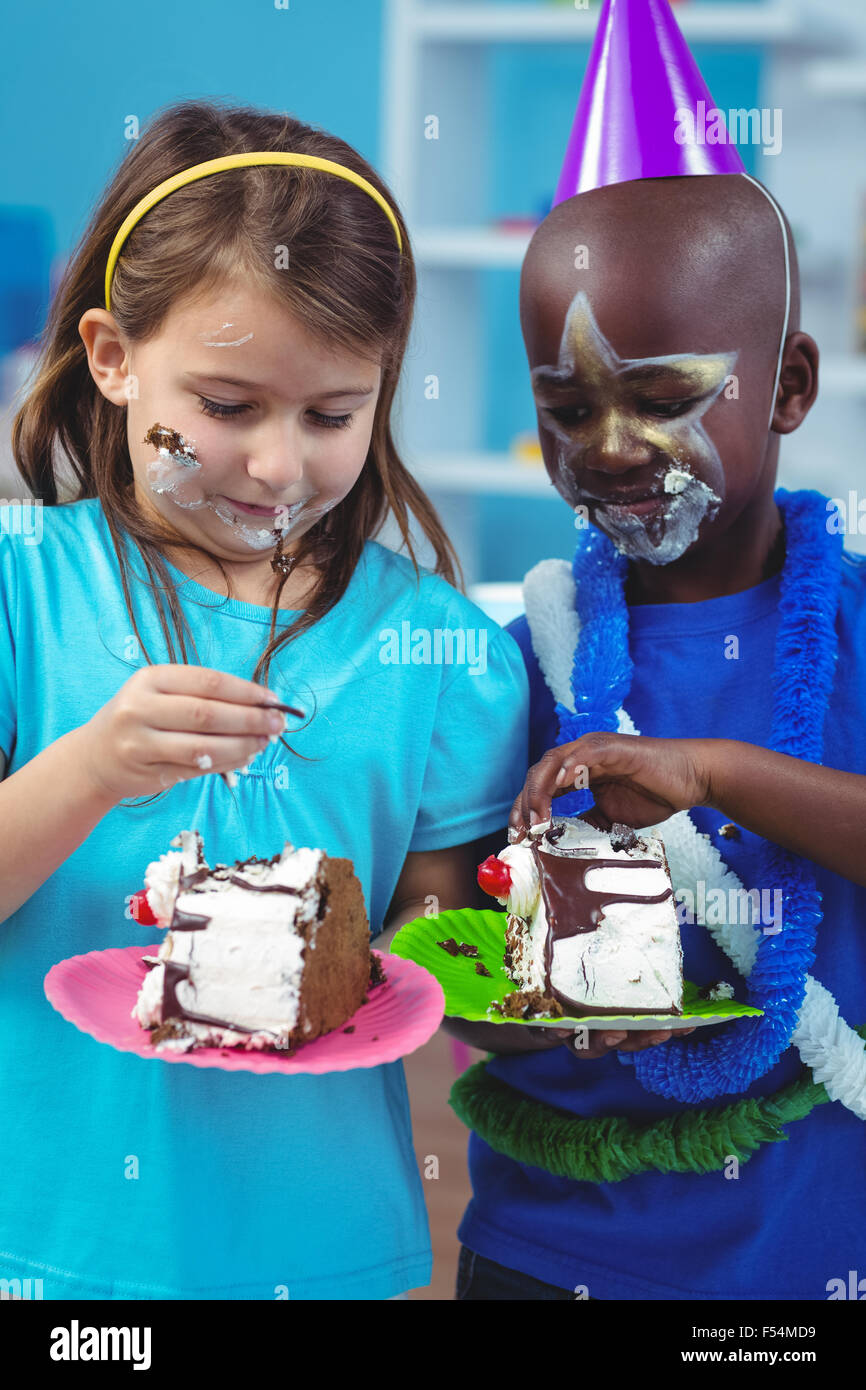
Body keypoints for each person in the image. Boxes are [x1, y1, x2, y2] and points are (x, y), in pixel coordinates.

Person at [0, 99, 528, 1300]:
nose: (282, 467)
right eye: (228, 409)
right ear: (111, 356)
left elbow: (432, 951)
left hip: (323, 1251)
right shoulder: (22, 589)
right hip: (45, 1246)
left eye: (332, 414)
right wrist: (89, 767)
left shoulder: (438, 652)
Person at [445, 167, 866, 1301]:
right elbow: (449, 951)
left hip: (816, 1249)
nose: (614, 447)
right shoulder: (517, 655)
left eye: (664, 395)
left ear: (786, 385)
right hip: (558, 1249)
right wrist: (537, 1019)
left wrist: (710, 773)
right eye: (568, 410)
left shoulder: (857, 619)